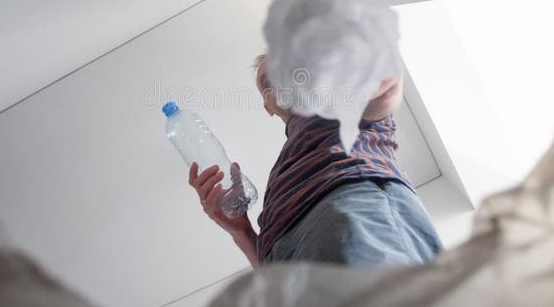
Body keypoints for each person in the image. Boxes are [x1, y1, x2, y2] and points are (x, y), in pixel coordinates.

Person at [189, 53, 442, 268]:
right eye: (269, 81)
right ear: (268, 107)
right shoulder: (283, 169)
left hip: (349, 212)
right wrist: (241, 231)